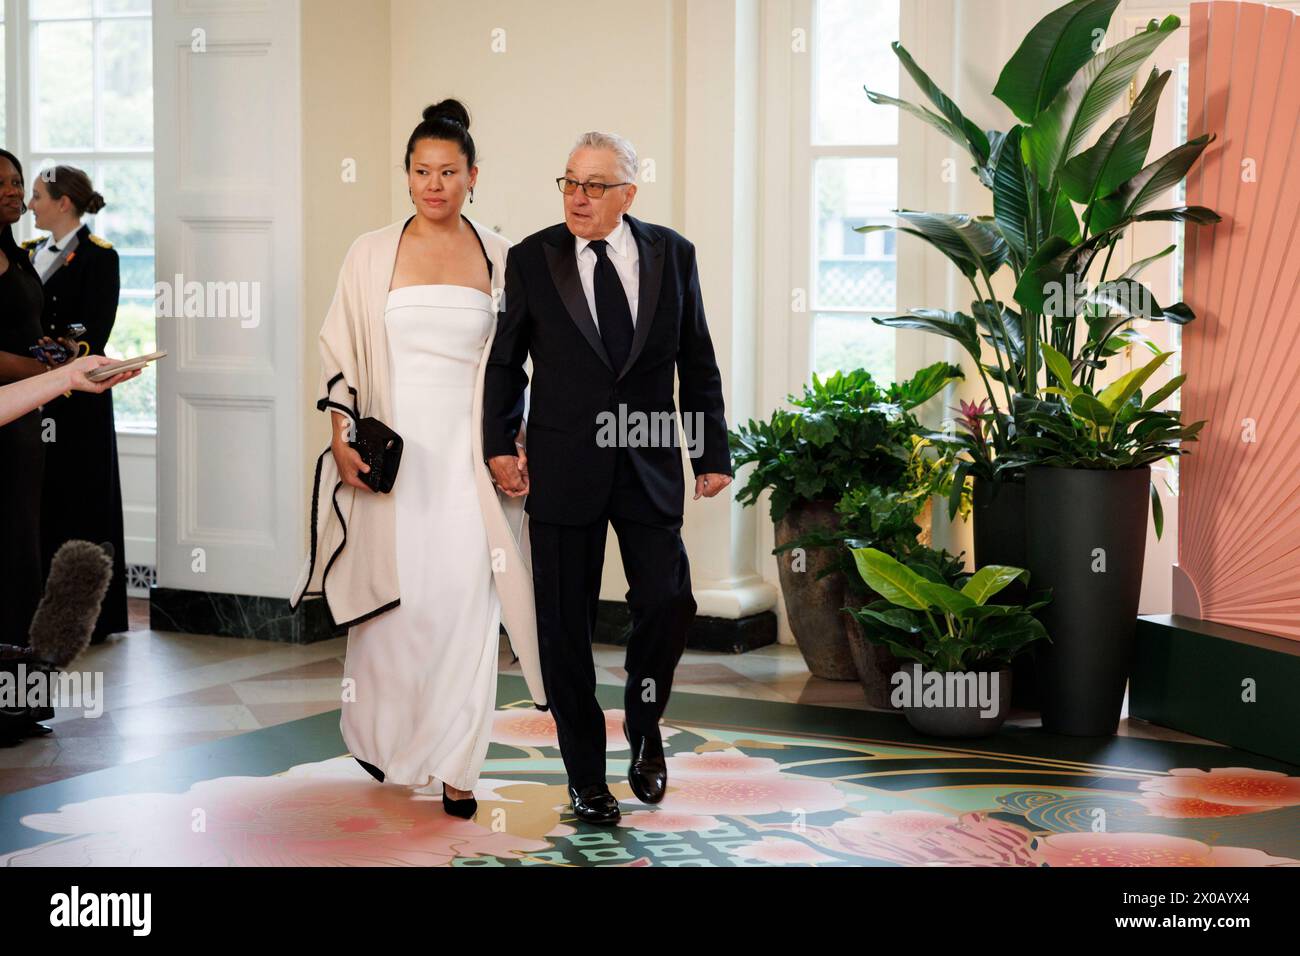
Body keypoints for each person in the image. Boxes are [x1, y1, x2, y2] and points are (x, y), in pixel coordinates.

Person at [290, 100, 546, 820]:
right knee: (395, 614)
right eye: (421, 171)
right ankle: (392, 742)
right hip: (393, 461)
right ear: (406, 176)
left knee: (468, 607)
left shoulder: (505, 255)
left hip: (470, 463)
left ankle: (459, 765)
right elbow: (338, 349)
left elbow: (526, 361)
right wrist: (340, 439)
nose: (434, 184)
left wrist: (517, 441)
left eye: (449, 172)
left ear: (473, 176)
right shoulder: (370, 252)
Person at [484, 131, 733, 825]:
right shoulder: (531, 259)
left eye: (594, 185)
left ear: (629, 192)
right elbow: (506, 361)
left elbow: (698, 359)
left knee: (668, 599)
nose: (577, 197)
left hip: (648, 459)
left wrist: (710, 451)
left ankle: (645, 721)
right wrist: (499, 442)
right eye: (568, 182)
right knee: (563, 625)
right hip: (563, 466)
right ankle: (585, 777)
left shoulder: (672, 254)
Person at [26, 166, 130, 644]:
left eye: (37, 196)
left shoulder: (98, 257)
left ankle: (93, 618)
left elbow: (94, 325)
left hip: (79, 401)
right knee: (39, 502)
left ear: (63, 202)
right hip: (29, 397)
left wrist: (59, 347)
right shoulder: (25, 254)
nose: (30, 204)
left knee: (83, 500)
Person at [0, 149, 61, 645]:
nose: (12, 191)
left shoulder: (17, 252)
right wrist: (46, 371)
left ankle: (22, 692)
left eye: (17, 181)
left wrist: (54, 354)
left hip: (24, 421)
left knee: (23, 545)